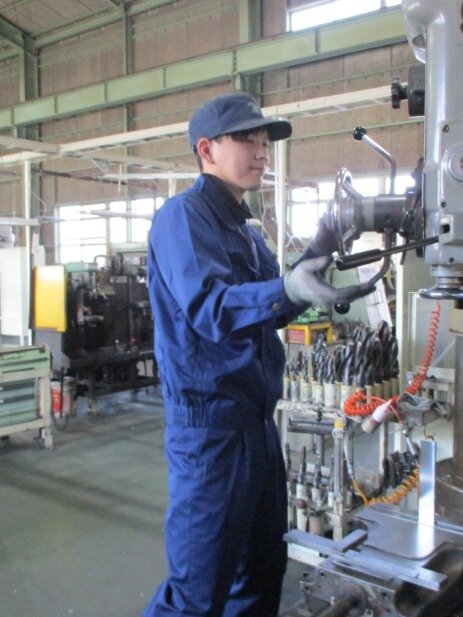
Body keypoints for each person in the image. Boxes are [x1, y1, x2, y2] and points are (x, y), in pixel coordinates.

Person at [143, 91, 374, 617]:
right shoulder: (182, 218)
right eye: (246, 139)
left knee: (262, 572)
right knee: (197, 593)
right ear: (206, 149)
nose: (262, 151)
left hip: (257, 426)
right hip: (211, 433)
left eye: (264, 141)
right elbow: (211, 309)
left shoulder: (244, 232)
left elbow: (273, 306)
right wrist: (288, 288)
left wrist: (322, 243)